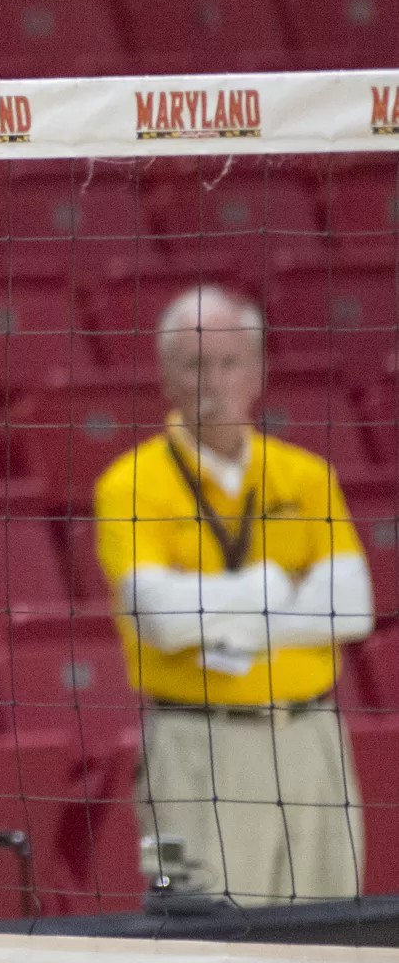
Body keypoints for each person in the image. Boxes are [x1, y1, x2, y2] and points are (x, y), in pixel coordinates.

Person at [94, 282, 372, 907]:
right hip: (191, 750)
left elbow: (352, 607)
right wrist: (276, 586)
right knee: (195, 940)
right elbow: (161, 619)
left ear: (258, 372)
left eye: (229, 361)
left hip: (315, 741)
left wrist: (229, 615)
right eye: (194, 364)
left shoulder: (307, 475)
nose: (212, 380)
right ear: (165, 377)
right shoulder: (128, 484)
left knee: (335, 942)